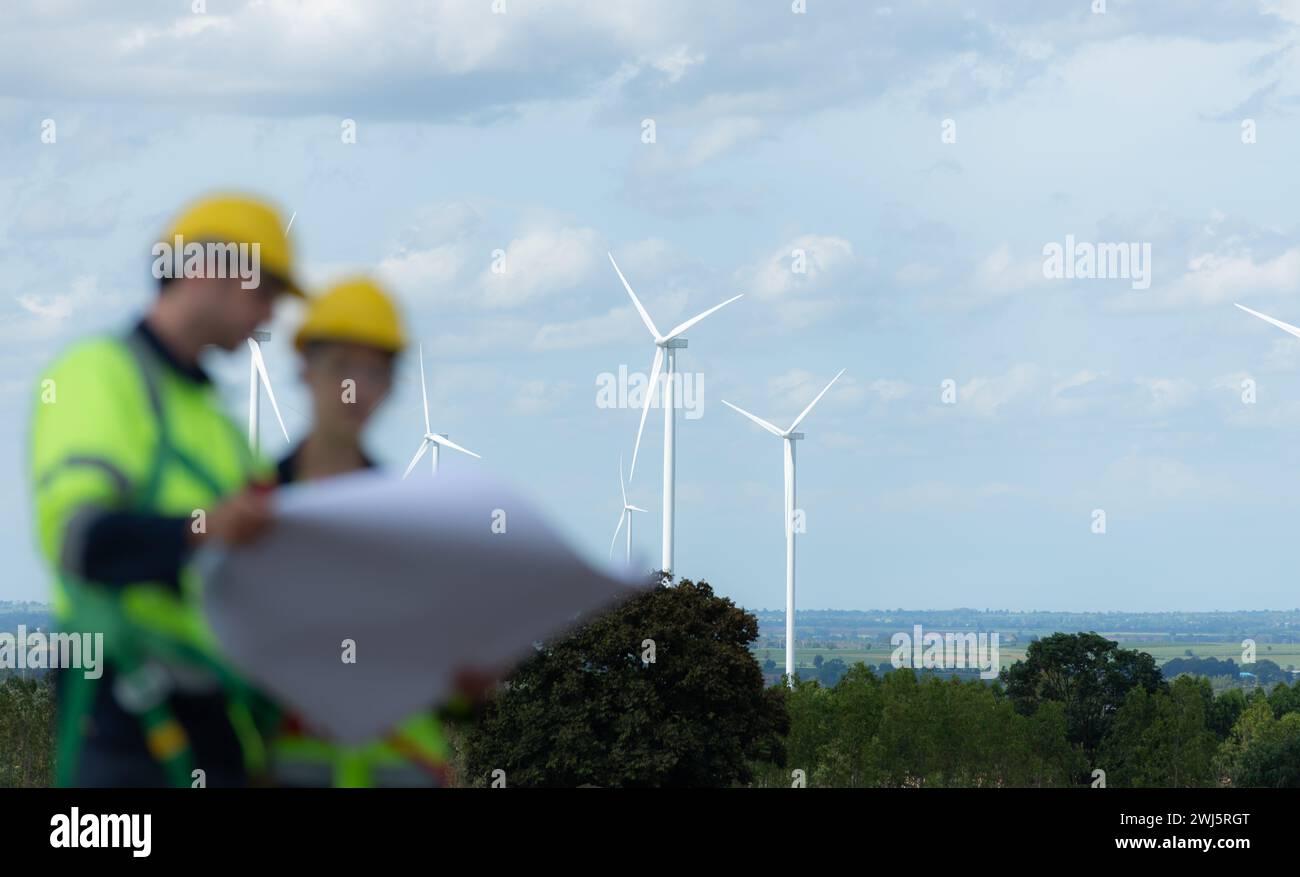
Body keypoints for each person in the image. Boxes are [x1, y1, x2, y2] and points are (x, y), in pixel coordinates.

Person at [29, 193, 302, 787]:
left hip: (219, 716)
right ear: (209, 273)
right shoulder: (100, 375)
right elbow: (84, 542)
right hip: (126, 714)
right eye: (265, 291)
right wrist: (205, 528)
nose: (270, 316)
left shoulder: (216, 419)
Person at [268, 276, 480, 787]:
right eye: (342, 366)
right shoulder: (252, 512)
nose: (356, 388)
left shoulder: (411, 525)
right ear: (306, 371)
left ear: (390, 387)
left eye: (375, 372)